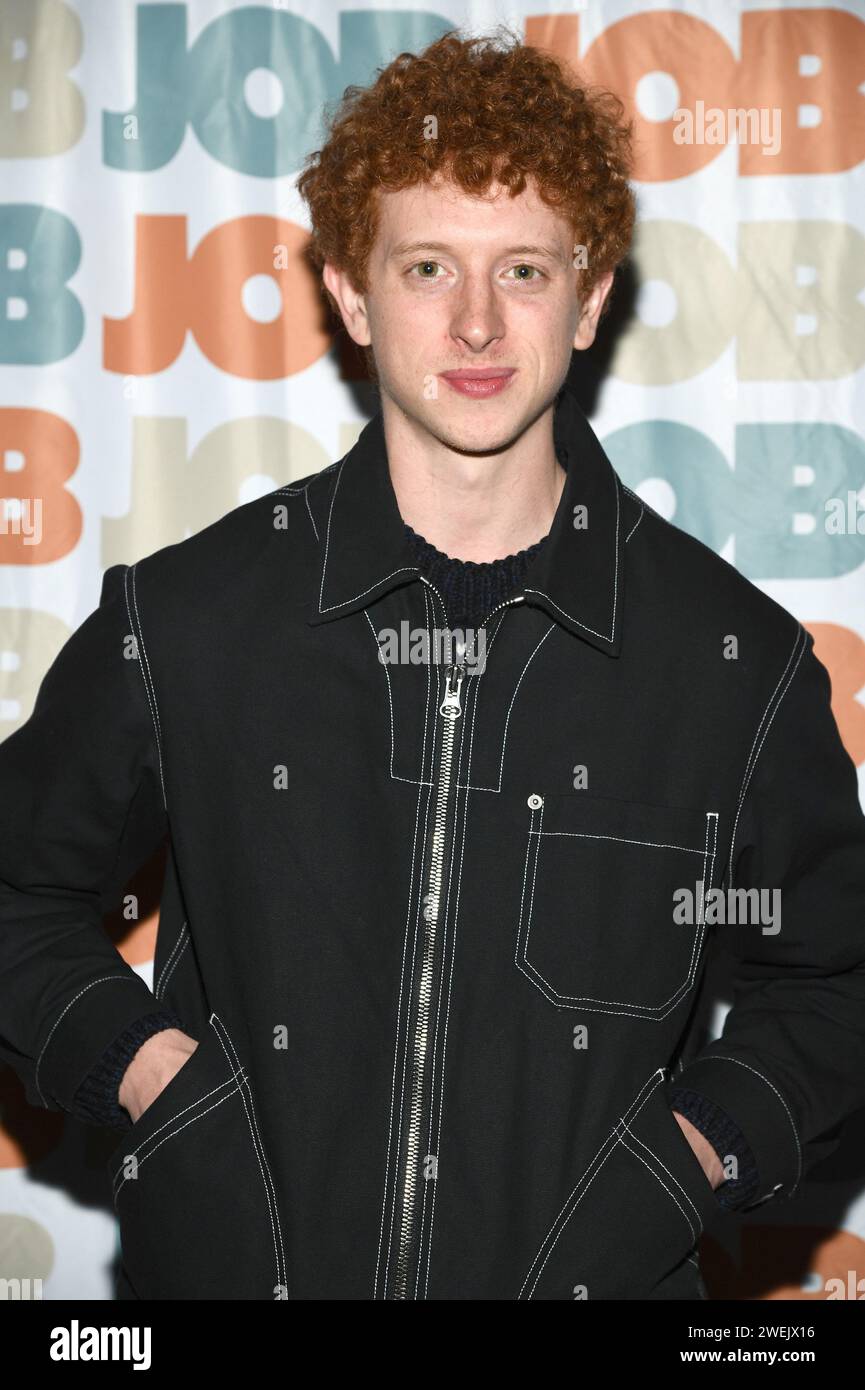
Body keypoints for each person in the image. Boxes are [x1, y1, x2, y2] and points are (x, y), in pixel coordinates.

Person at [2, 26, 865, 1302]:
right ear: (352, 295)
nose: (474, 320)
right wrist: (154, 1083)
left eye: (521, 268)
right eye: (426, 267)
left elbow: (835, 973)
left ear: (590, 293)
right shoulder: (192, 620)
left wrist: (689, 1154)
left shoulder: (728, 665)